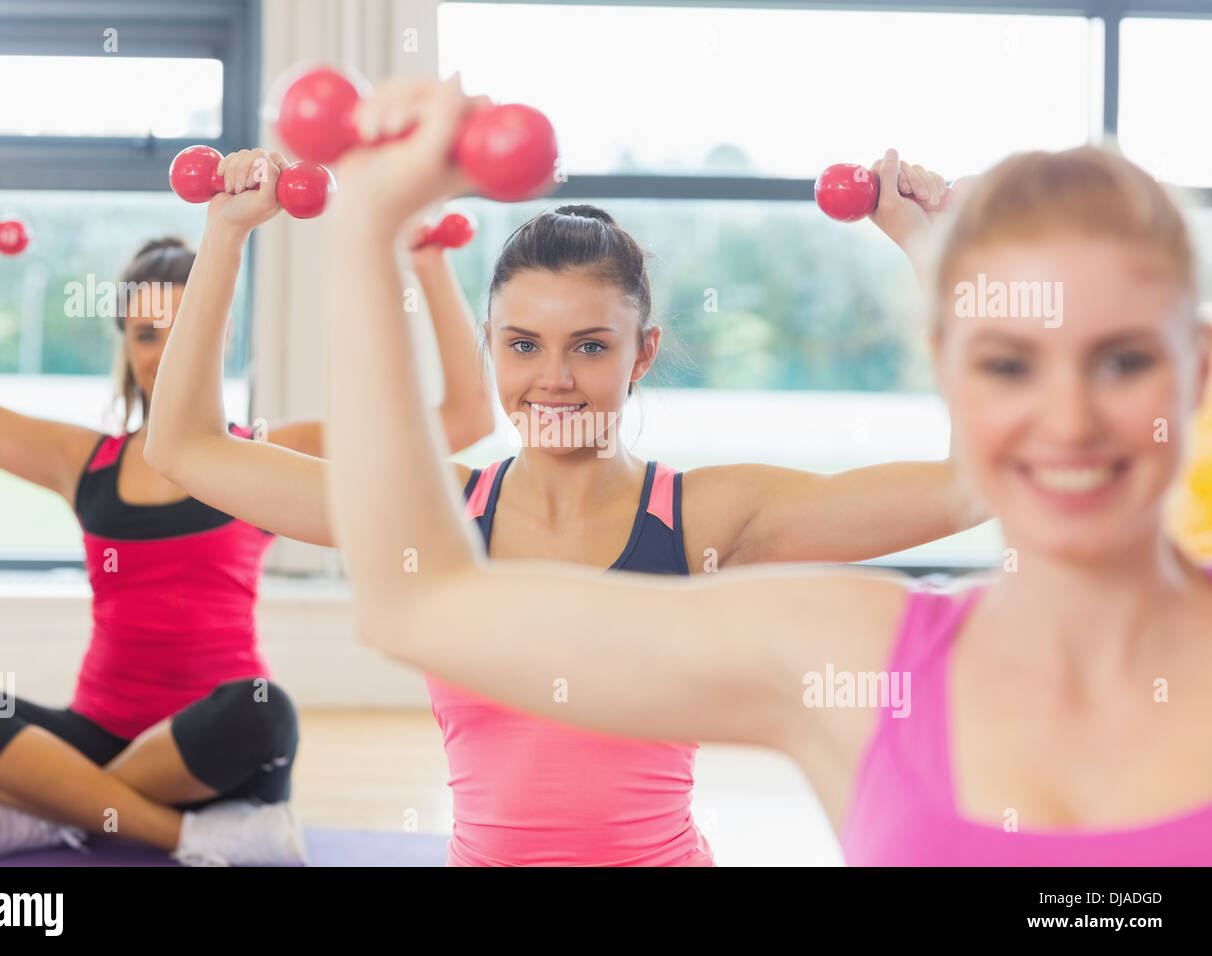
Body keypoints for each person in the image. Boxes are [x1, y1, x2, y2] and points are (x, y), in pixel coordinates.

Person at [318, 75, 1212, 865]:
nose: (1068, 421)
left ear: (1198, 369)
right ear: (947, 371)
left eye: (1124, 361)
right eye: (1007, 365)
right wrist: (366, 228)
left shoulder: (750, 561)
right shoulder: (855, 653)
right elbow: (416, 600)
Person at [146, 134, 982, 865]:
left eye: (589, 346)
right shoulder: (430, 519)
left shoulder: (706, 521)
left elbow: (964, 487)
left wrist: (932, 255)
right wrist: (225, 234)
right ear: (490, 348)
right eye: (522, 345)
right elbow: (184, 447)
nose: (553, 378)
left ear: (642, 353)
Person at [0, 171, 493, 864]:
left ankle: (54, 807)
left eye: (183, 328)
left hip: (216, 752)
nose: (161, 354)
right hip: (101, 732)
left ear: (216, 328)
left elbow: (465, 417)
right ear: (125, 341)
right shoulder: (82, 460)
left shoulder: (270, 454)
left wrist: (429, 268)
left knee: (261, 706)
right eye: (146, 333)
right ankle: (179, 834)